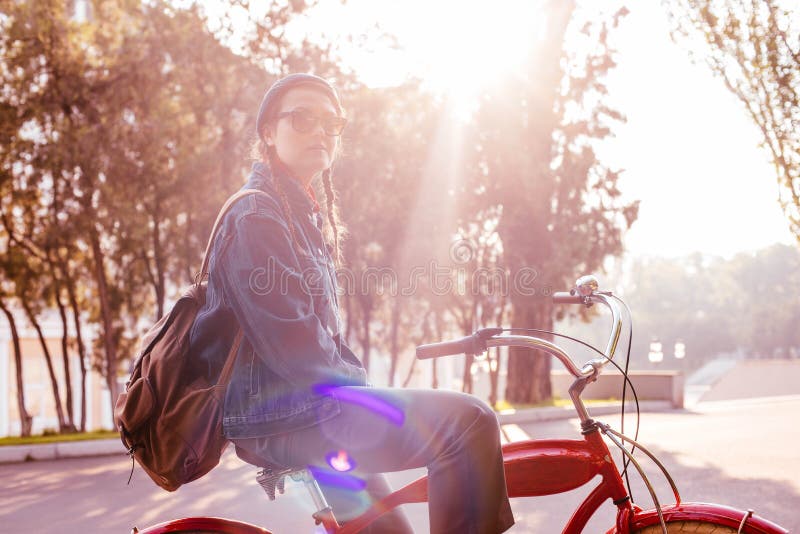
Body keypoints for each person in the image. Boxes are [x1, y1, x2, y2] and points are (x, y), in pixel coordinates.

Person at [189, 73, 514, 534]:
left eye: (331, 122)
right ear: (267, 132)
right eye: (302, 118)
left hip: (307, 412)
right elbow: (296, 345)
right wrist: (366, 393)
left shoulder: (295, 212)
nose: (320, 130)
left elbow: (317, 342)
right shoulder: (256, 216)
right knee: (470, 422)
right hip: (290, 419)